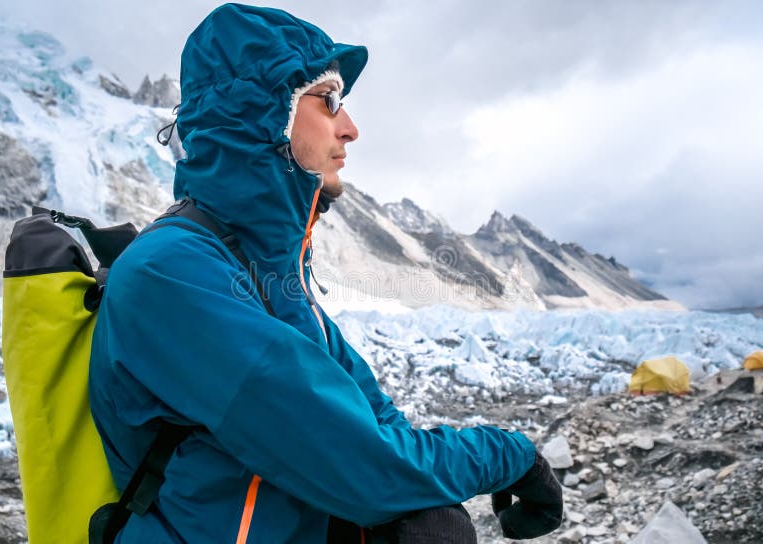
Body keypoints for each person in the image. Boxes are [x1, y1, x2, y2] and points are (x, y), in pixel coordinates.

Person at [89, 4, 562, 543]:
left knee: (434, 523)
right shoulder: (174, 275)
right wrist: (513, 456)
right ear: (260, 112)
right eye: (330, 99)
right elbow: (366, 466)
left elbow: (373, 419)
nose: (351, 128)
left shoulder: (264, 268)